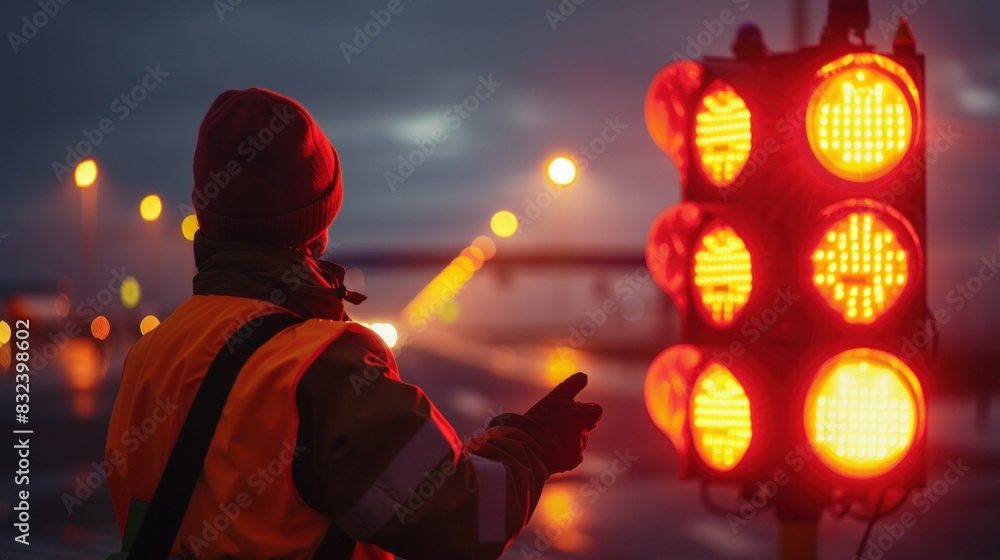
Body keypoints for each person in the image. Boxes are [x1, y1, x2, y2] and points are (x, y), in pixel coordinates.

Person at [105, 87, 603, 559]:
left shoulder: (151, 354)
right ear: (317, 225)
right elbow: (463, 517)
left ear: (205, 213)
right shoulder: (324, 365)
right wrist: (533, 442)